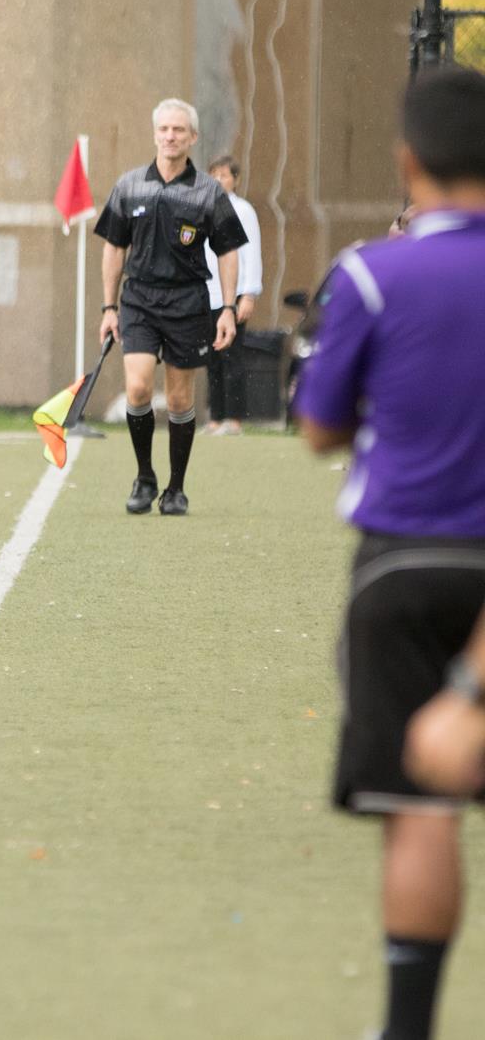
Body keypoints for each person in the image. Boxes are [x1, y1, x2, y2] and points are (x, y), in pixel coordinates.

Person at [295, 65, 485, 1040]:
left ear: (408, 162)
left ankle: (407, 1030)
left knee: (419, 809)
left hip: (401, 564)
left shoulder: (372, 273)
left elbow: (319, 427)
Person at [94, 97, 246, 516]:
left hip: (188, 302)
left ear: (192, 137)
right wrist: (108, 307)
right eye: (163, 129)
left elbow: (228, 251)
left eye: (178, 130)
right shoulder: (129, 185)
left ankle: (176, 488)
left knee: (179, 401)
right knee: (139, 388)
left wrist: (228, 308)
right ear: (154, 134)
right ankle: (145, 477)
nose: (170, 136)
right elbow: (113, 248)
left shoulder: (208, 191)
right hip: (139, 300)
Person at [202, 154, 264, 433]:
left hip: (234, 295)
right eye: (214, 175)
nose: (218, 180)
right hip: (208, 293)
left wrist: (249, 293)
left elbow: (251, 253)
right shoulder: (204, 207)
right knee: (212, 359)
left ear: (235, 180)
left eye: (224, 175)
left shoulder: (243, 210)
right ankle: (215, 417)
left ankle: (234, 418)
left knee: (232, 358)